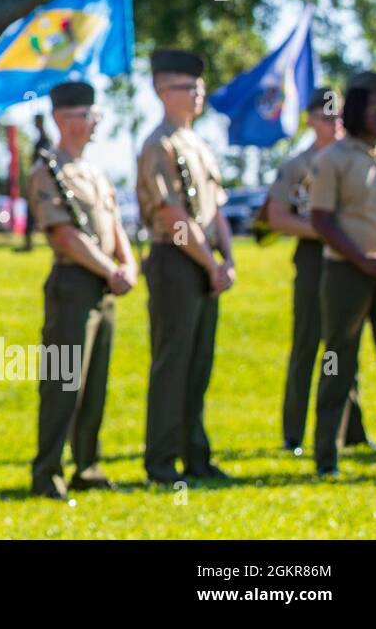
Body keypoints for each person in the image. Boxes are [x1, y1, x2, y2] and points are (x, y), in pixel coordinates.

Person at [27, 81, 137, 500]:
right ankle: (47, 471)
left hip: (103, 285)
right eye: (85, 115)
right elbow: (64, 236)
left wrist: (126, 263)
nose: (94, 123)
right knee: (63, 380)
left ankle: (87, 464)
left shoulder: (94, 170)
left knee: (95, 381)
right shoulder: (48, 169)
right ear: (62, 118)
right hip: (73, 283)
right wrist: (113, 269)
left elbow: (114, 226)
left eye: (94, 114)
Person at [137, 49, 236, 485]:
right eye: (188, 87)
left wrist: (227, 259)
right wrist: (210, 262)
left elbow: (216, 210)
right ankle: (161, 463)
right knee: (172, 363)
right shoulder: (158, 144)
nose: (198, 93)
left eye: (200, 86)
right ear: (162, 91)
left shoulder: (198, 143)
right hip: (176, 261)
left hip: (204, 262)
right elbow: (173, 219)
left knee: (199, 365)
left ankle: (196, 456)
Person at [266, 87, 369, 455]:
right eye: (327, 118)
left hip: (352, 261)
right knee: (308, 342)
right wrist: (329, 231)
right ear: (310, 120)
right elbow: (277, 217)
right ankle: (293, 432)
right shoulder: (298, 164)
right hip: (315, 257)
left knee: (343, 345)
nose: (335, 125)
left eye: (340, 117)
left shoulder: (357, 159)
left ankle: (350, 429)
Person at [308, 71, 376, 476]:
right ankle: (326, 455)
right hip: (346, 276)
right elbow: (321, 219)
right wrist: (361, 259)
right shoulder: (332, 160)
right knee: (337, 360)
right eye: (375, 106)